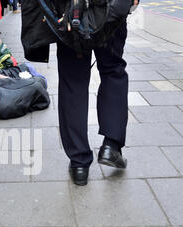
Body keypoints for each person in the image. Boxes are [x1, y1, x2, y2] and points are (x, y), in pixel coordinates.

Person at [57, 0, 140, 186]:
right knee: (112, 71)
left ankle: (79, 163)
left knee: (73, 82)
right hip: (110, 9)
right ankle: (111, 146)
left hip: (70, 12)